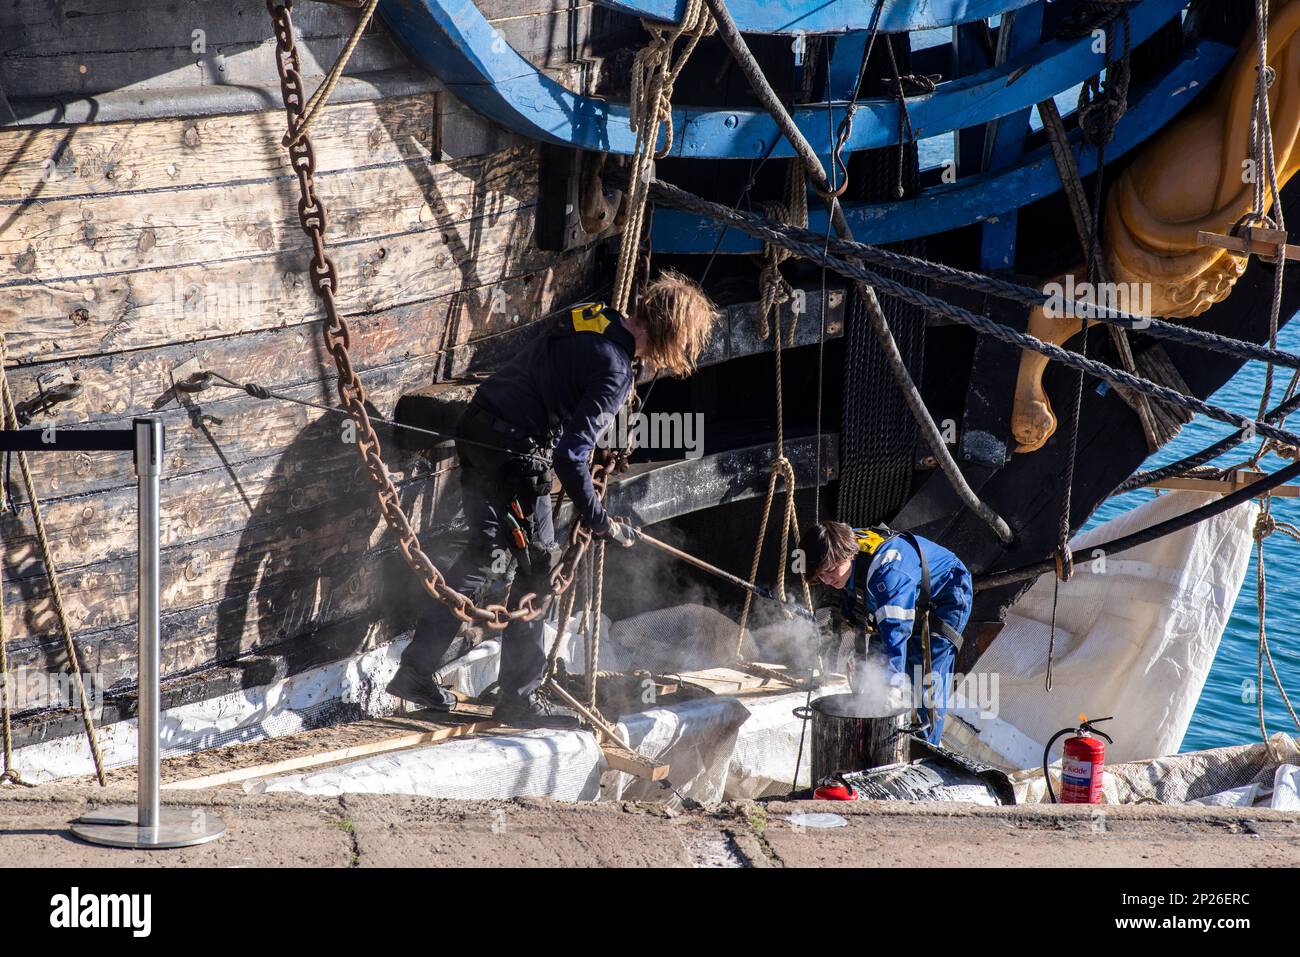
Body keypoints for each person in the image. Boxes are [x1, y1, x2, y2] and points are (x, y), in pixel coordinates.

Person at [387, 272, 719, 728]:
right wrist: (599, 520)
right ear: (670, 333)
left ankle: (415, 672)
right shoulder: (616, 371)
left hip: (478, 429)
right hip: (517, 458)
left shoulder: (595, 318)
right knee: (537, 572)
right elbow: (570, 455)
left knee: (483, 553)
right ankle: (518, 701)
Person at [799, 521, 972, 743]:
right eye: (820, 576)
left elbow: (896, 633)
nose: (827, 580)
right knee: (874, 669)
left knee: (924, 679)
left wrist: (892, 686)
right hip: (896, 596)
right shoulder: (841, 546)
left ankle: (924, 748)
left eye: (831, 571)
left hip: (945, 597)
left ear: (849, 554)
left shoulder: (889, 575)